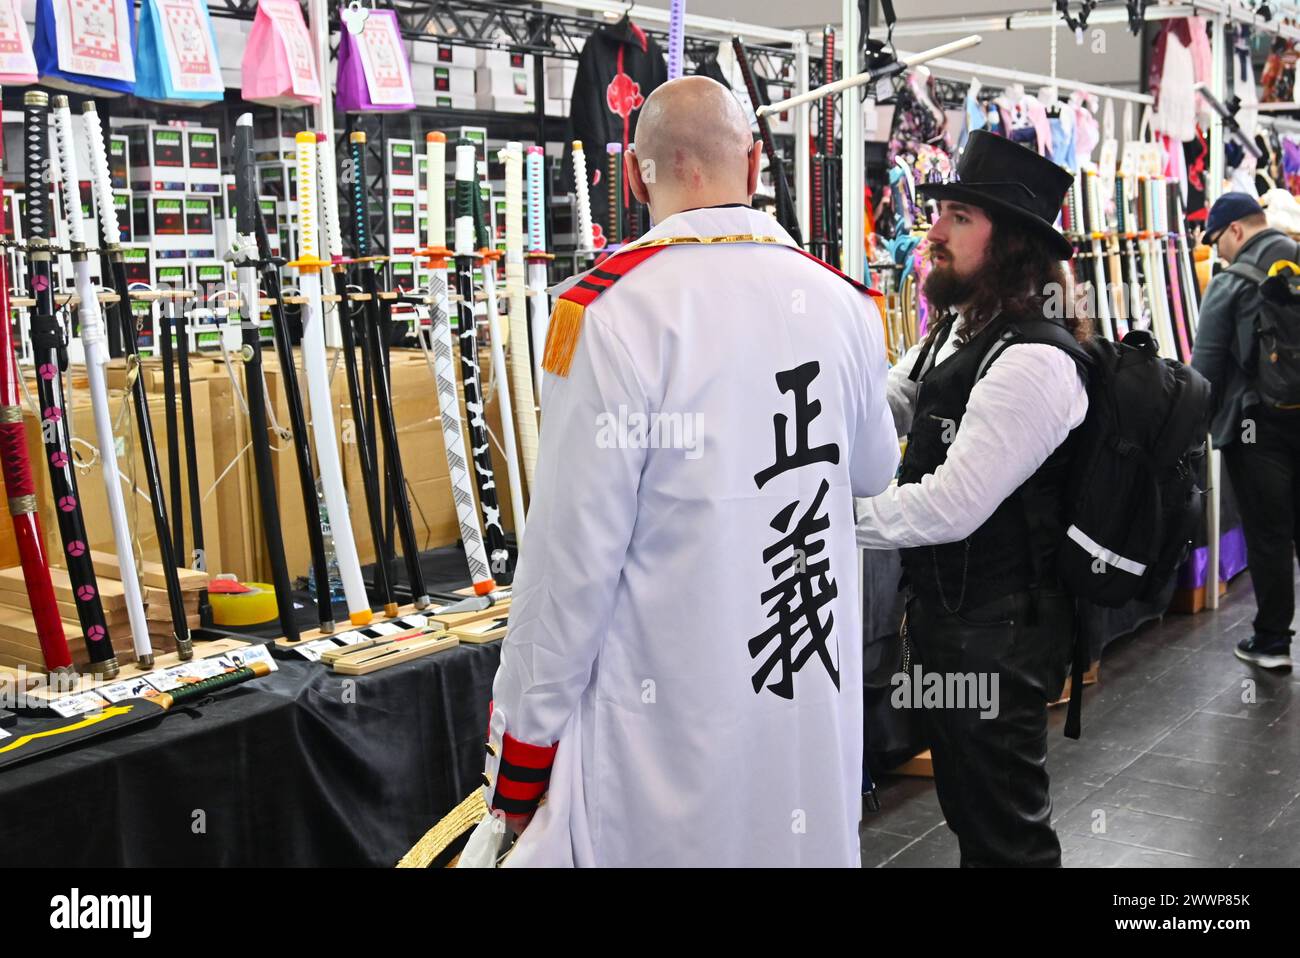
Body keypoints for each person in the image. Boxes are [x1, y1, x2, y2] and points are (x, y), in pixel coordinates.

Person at [478, 76, 899, 866]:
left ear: (638, 177)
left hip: (668, 732)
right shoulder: (843, 303)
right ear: (752, 162)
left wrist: (521, 752)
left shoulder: (609, 313)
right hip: (803, 703)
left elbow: (569, 564)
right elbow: (874, 473)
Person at [855, 131, 1090, 867]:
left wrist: (825, 522)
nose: (932, 233)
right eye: (942, 213)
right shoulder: (958, 334)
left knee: (1006, 836)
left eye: (958, 216)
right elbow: (887, 401)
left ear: (1012, 243)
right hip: (952, 624)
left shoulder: (1036, 361)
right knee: (971, 812)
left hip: (1000, 637)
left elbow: (950, 505)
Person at [1192, 192, 1300, 670]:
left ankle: (1273, 642)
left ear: (1235, 230)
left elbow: (1205, 370)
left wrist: (1197, 429)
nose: (1218, 253)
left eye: (1218, 242)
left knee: (1270, 532)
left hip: (1258, 427)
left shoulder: (1230, 282)